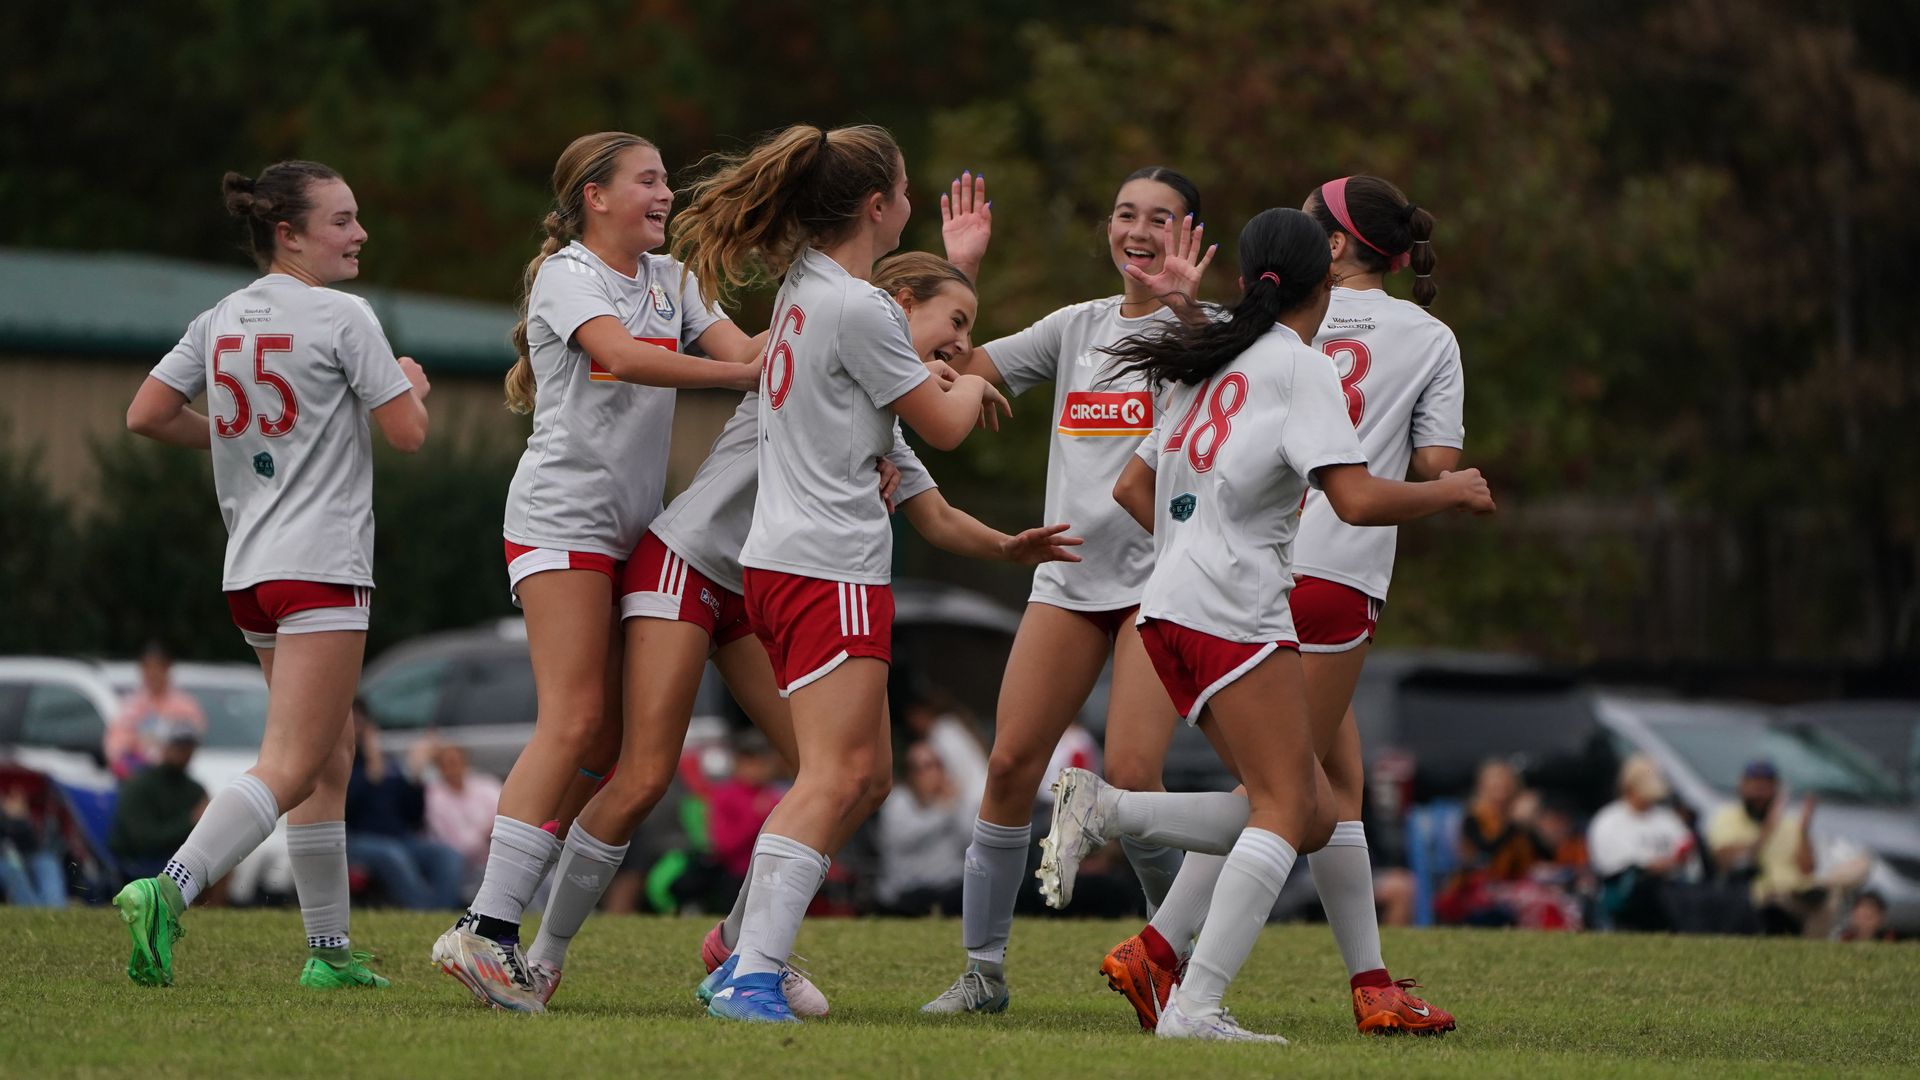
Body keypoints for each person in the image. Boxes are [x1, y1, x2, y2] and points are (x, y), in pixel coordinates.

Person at [522, 183, 1076, 1014]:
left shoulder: (869, 372)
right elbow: (933, 396)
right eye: (954, 326)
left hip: (758, 579)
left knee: (860, 778)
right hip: (692, 564)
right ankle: (542, 955)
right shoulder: (845, 334)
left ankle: (743, 946)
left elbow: (933, 502)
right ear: (895, 305)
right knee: (644, 774)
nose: (964, 347)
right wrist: (949, 371)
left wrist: (1004, 543)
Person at [1040, 207, 1493, 1041]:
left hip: (1167, 608)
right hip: (1236, 607)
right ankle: (1196, 1001)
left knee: (1311, 808)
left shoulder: (1208, 354)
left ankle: (1112, 817)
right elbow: (1355, 500)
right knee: (1286, 808)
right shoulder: (1296, 364)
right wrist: (1449, 492)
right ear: (1322, 282)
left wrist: (1194, 545)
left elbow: (1133, 492)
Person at [668, 122, 1004, 1024]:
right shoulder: (858, 305)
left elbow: (880, 399)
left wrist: (955, 293)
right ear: (877, 205)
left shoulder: (809, 288)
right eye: (903, 189)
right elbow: (941, 422)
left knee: (864, 778)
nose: (909, 201)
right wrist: (968, 383)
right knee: (831, 778)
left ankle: (740, 952)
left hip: (788, 560)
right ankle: (748, 973)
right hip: (828, 565)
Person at [431, 131, 764, 1011]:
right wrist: (746, 372)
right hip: (562, 521)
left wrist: (842, 335)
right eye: (647, 180)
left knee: (611, 748)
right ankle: (489, 931)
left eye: (665, 180)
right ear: (594, 196)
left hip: (630, 534)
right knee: (575, 719)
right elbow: (624, 357)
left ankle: (505, 928)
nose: (665, 194)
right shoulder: (567, 274)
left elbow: (754, 349)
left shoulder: (676, 279)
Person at [118, 160, 429, 991]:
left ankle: (328, 957)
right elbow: (407, 434)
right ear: (288, 233)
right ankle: (169, 889)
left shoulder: (220, 317)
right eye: (342, 220)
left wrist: (228, 437)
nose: (359, 233)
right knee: (291, 763)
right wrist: (413, 387)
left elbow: (145, 415)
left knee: (330, 759)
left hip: (251, 569)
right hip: (322, 565)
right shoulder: (344, 315)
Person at [924, 165, 1218, 1016]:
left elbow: (1240, 385)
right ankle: (983, 975)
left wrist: (1187, 308)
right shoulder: (1076, 328)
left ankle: (1174, 961)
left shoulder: (1211, 329)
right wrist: (962, 273)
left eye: (1160, 218)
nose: (1138, 230)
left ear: (1189, 236)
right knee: (1011, 763)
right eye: (1125, 212)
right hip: (1067, 580)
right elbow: (947, 368)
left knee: (1129, 777)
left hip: (1160, 584)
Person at [344, 705, 465, 910]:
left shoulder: (390, 766)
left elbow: (414, 816)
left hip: (400, 838)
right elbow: (346, 811)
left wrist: (415, 779)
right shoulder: (345, 767)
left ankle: (443, 913)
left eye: (363, 724)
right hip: (358, 839)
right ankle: (425, 912)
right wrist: (370, 776)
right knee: (393, 855)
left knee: (448, 855)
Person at [1589, 754, 1697, 932]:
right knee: (1651, 891)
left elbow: (1685, 847)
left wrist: (1678, 859)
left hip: (1672, 886)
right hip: (1628, 890)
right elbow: (1611, 865)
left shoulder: (1666, 819)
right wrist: (1652, 865)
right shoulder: (1608, 820)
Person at [874, 741, 974, 915]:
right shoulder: (898, 801)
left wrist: (957, 808)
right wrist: (943, 811)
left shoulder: (951, 801)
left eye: (937, 765)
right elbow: (903, 837)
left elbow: (970, 841)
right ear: (911, 774)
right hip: (910, 891)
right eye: (924, 768)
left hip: (951, 887)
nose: (932, 773)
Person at [109, 721, 207, 881]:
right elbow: (143, 841)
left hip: (175, 860)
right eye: (179, 745)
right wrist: (191, 821)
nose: (184, 752)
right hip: (139, 861)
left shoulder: (195, 789)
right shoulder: (139, 786)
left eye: (189, 747)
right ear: (164, 747)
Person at [105, 644, 207, 779]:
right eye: (148, 668)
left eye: (157, 668)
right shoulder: (132, 705)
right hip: (138, 777)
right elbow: (116, 743)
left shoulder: (185, 706)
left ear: (167, 668)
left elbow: (193, 738)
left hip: (173, 776)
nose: (153, 674)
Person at [423, 741, 502, 887]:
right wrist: (487, 834)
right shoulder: (434, 798)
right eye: (449, 764)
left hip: (498, 855)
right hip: (468, 868)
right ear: (439, 768)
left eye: (458, 762)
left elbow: (506, 811)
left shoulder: (486, 785)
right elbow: (454, 844)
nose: (454, 768)